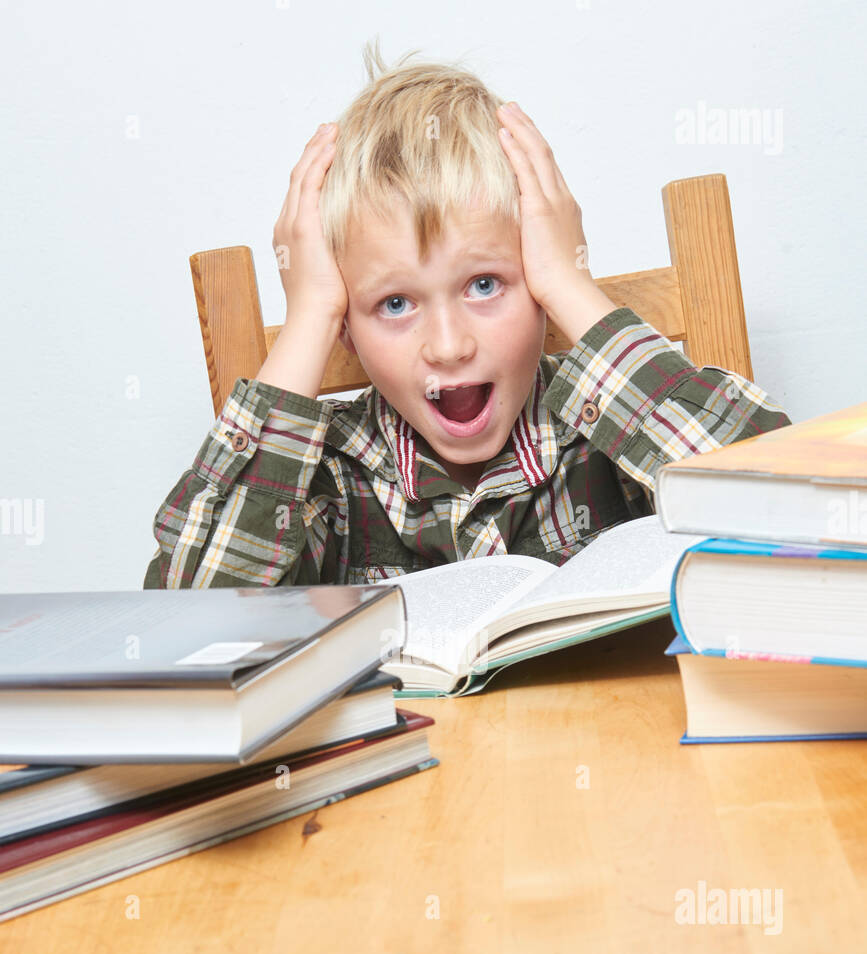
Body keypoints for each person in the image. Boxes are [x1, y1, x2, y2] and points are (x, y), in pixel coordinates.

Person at [143, 40, 790, 590]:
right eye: (394, 304)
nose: (448, 346)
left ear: (536, 279)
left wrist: (569, 281)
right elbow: (200, 621)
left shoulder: (609, 442)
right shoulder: (327, 480)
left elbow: (787, 522)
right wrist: (309, 313)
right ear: (346, 322)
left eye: (484, 284)